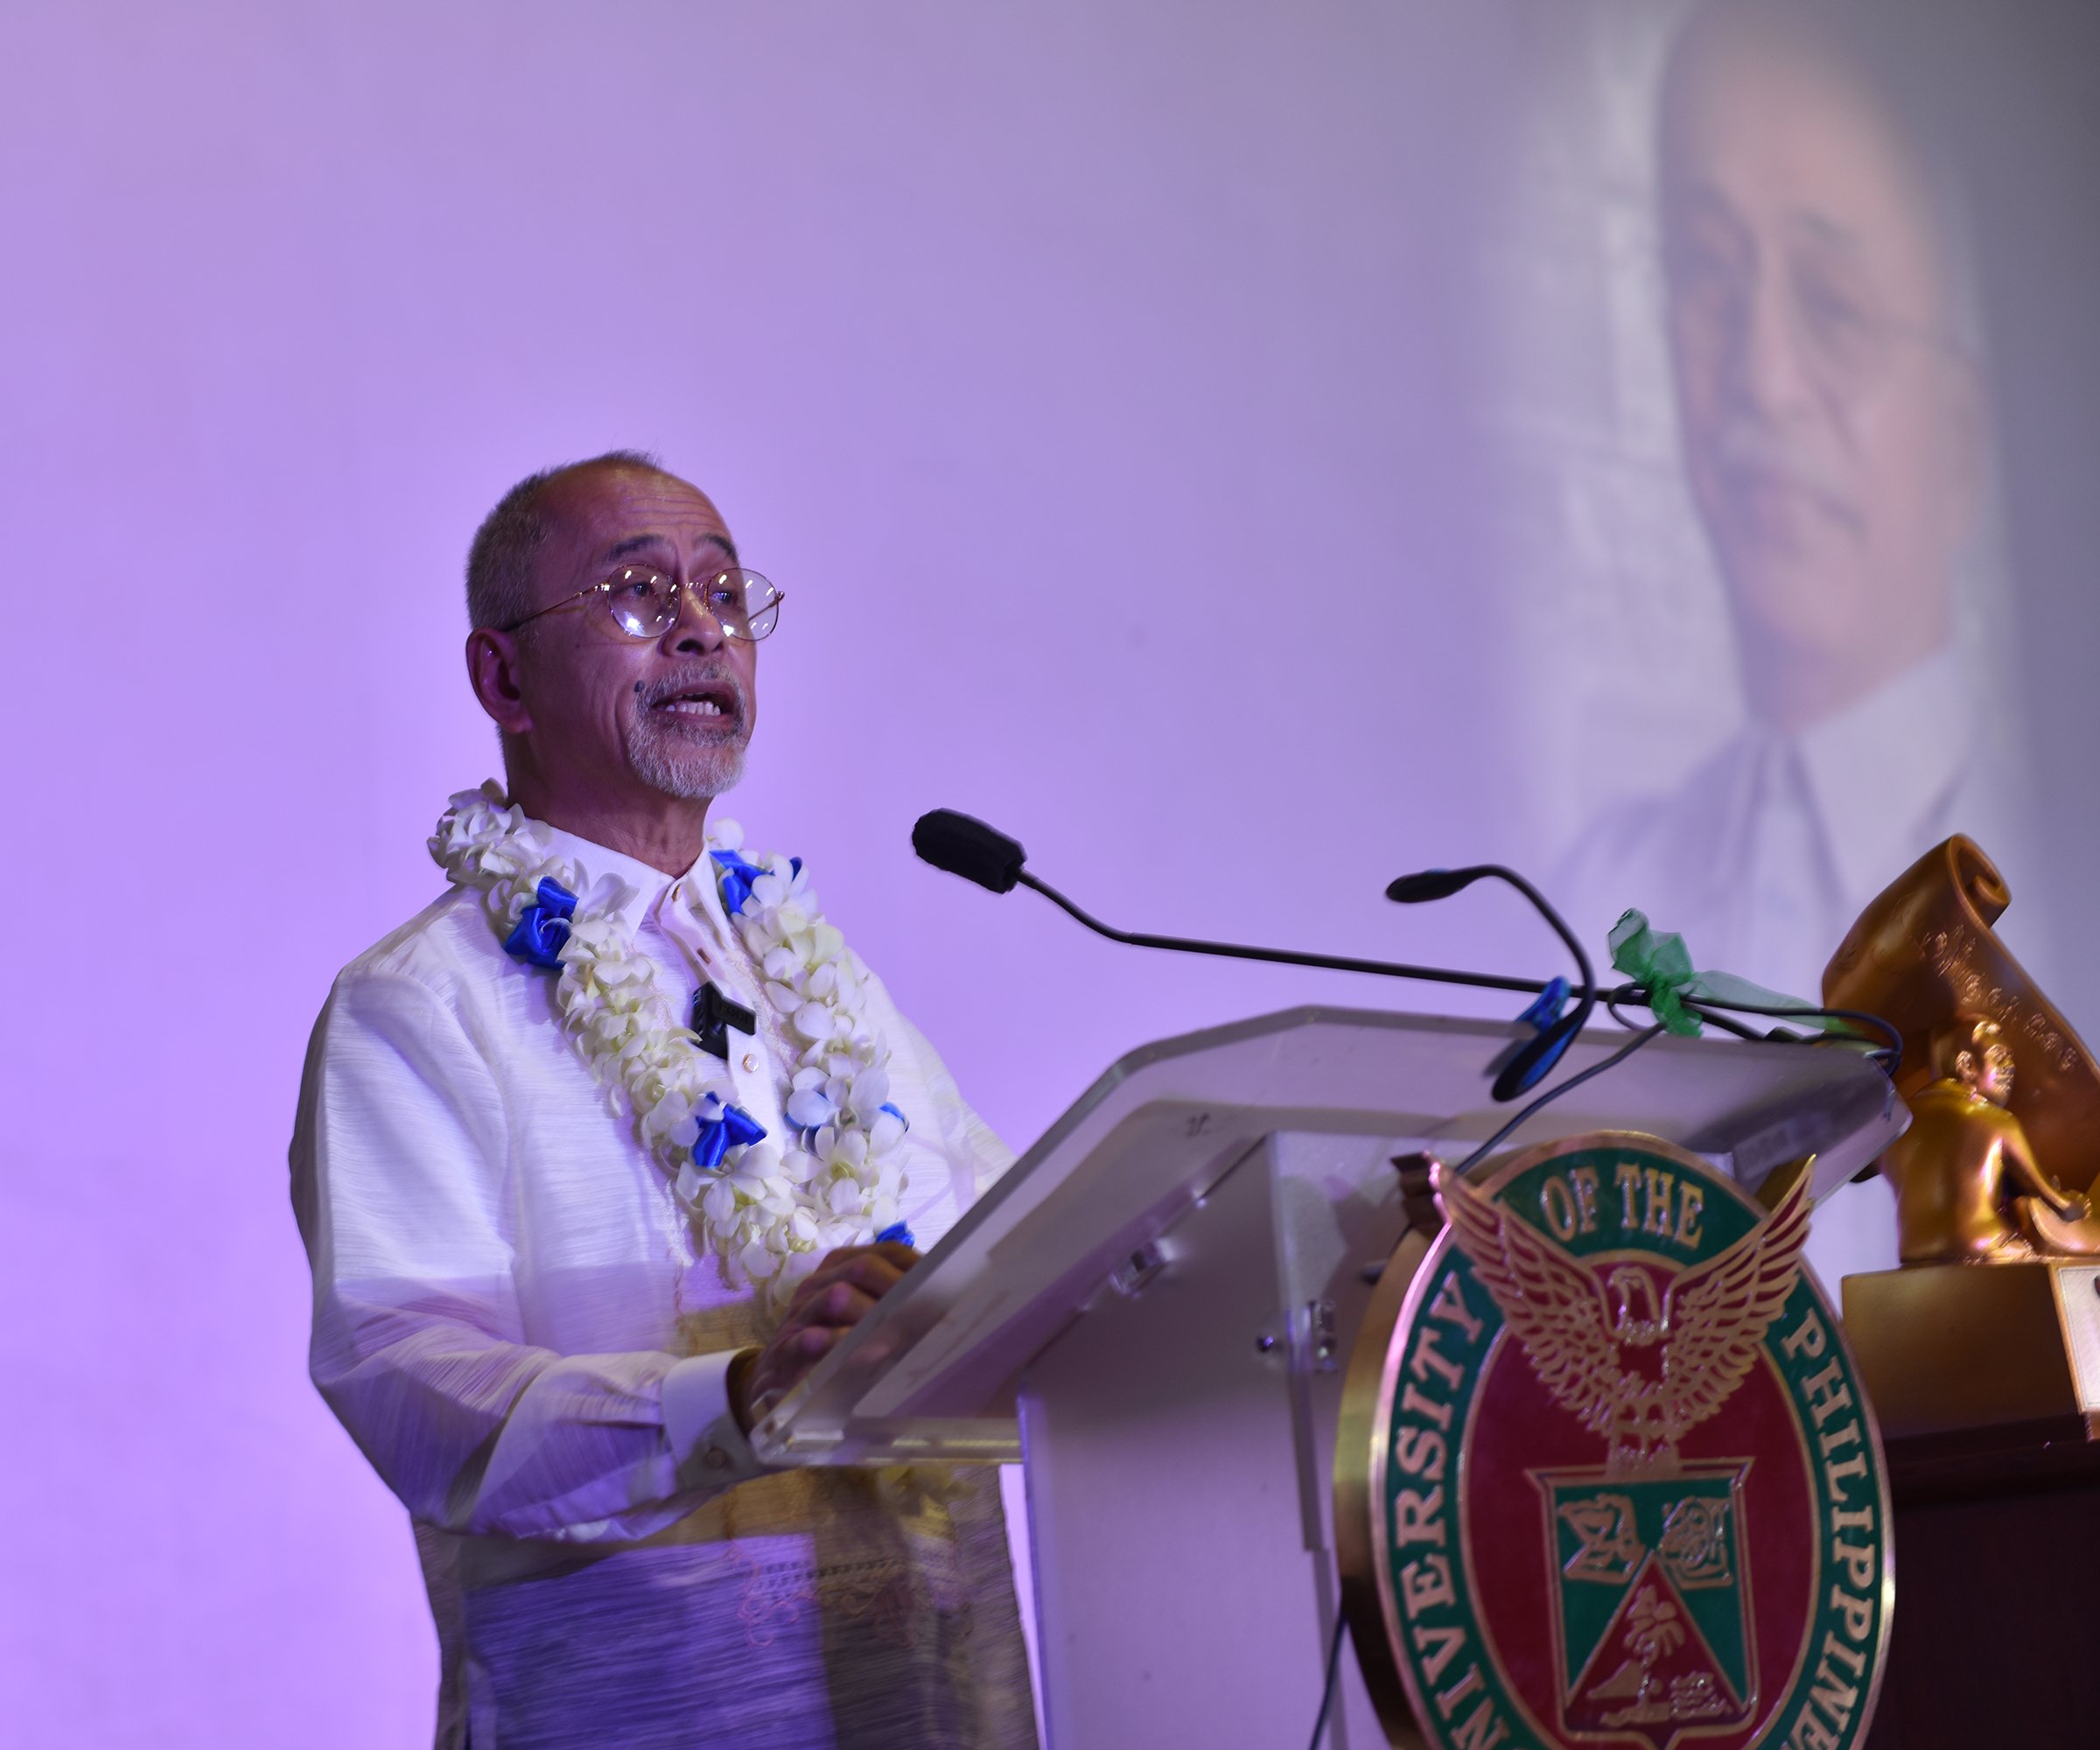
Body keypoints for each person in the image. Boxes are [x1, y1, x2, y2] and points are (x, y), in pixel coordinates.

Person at [290, 452, 1036, 1749]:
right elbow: (414, 1384)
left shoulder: (820, 980)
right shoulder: (418, 1007)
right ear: (503, 679)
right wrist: (741, 1396)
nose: (702, 627)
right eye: (637, 594)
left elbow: (1005, 1246)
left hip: (927, 1696)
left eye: (724, 591)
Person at [1557, 0, 2027, 1006]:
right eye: (1708, 275)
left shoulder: (2055, 862)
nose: (1762, 380)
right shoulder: (1589, 896)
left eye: (1834, 304)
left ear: (1961, 436)